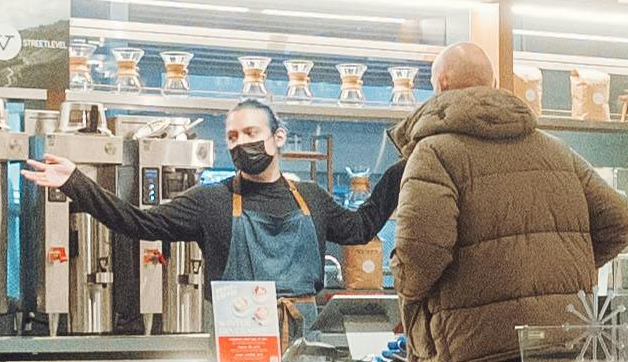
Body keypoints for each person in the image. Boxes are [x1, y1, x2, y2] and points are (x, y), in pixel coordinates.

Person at [27, 94, 400, 326]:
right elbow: (139, 223)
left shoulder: (312, 197)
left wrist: (407, 168)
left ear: (278, 137)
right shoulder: (210, 201)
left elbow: (361, 228)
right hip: (237, 343)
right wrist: (76, 182)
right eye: (233, 137)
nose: (242, 144)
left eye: (252, 133)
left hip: (304, 342)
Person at [388, 42, 628, 362]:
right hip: (562, 341)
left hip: (473, 351)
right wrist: (562, 272)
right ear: (492, 84)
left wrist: (404, 283)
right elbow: (619, 222)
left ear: (442, 84)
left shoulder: (434, 153)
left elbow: (421, 254)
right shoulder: (556, 150)